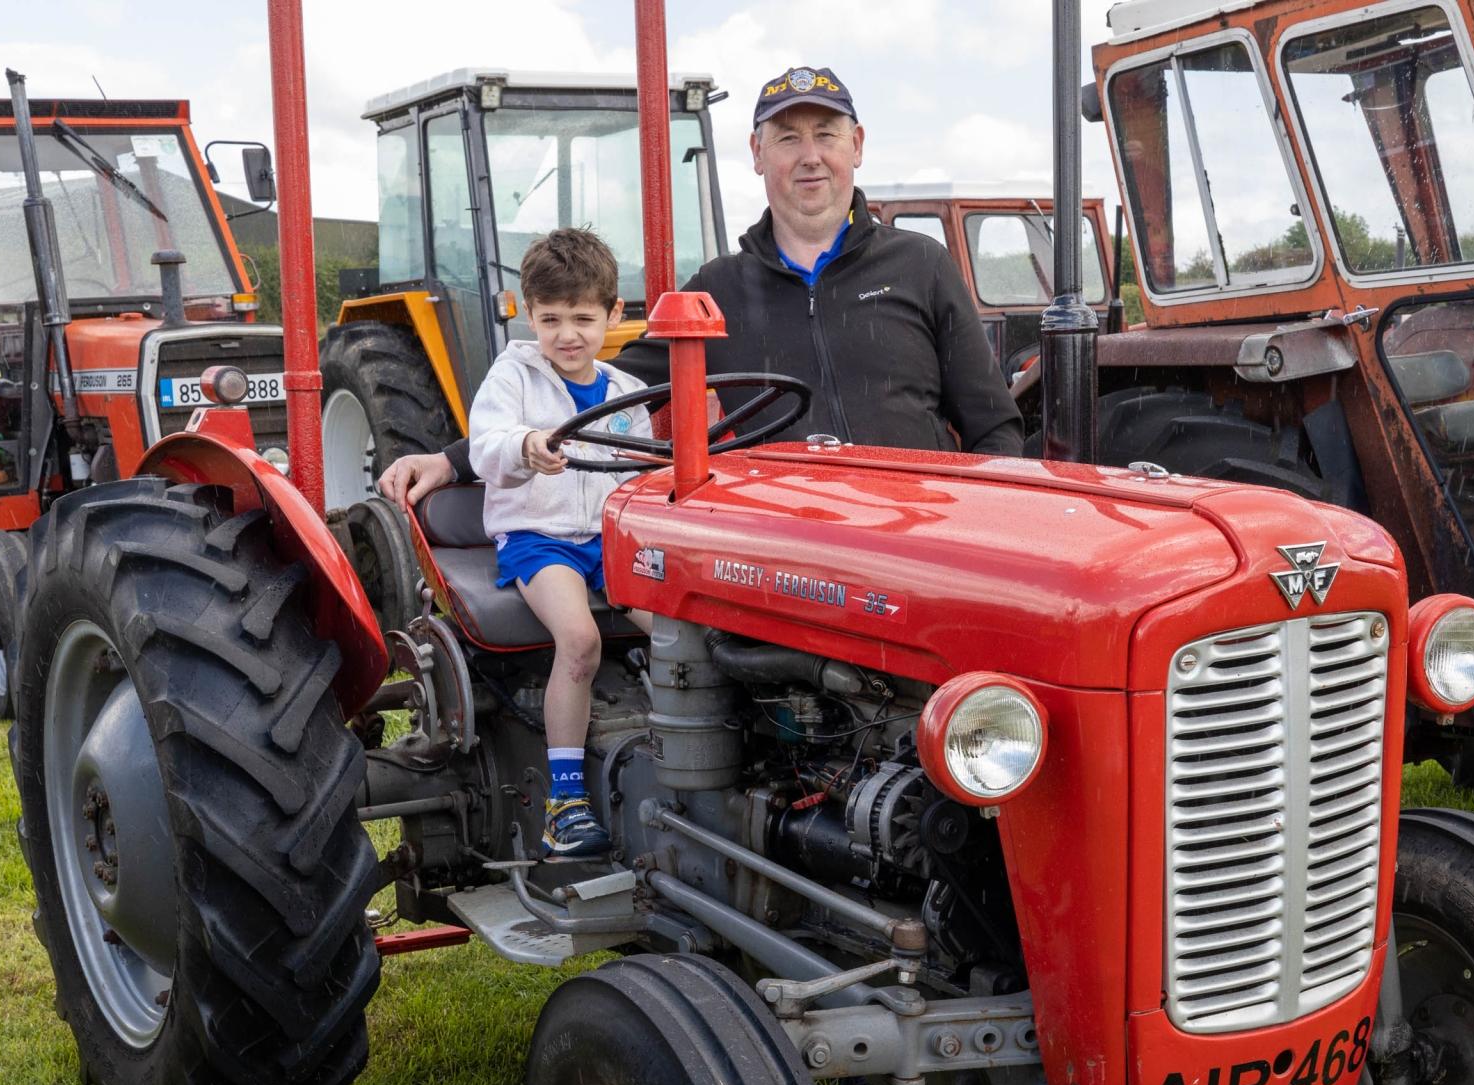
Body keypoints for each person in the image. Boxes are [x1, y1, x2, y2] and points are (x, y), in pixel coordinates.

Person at [378, 63, 1023, 507]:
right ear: (757, 153)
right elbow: (594, 389)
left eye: (826, 135)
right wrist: (452, 459)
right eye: (787, 138)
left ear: (855, 145)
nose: (810, 156)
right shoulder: (717, 291)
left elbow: (994, 427)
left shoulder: (922, 265)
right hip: (783, 543)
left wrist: (989, 517)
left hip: (915, 533)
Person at [465, 227, 654, 857]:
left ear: (613, 315)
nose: (567, 335)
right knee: (579, 639)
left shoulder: (626, 394)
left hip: (611, 537)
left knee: (682, 631)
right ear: (530, 315)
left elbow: (643, 474)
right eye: (550, 319)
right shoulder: (513, 377)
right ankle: (564, 804)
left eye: (582, 318)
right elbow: (486, 444)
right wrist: (524, 446)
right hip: (538, 537)